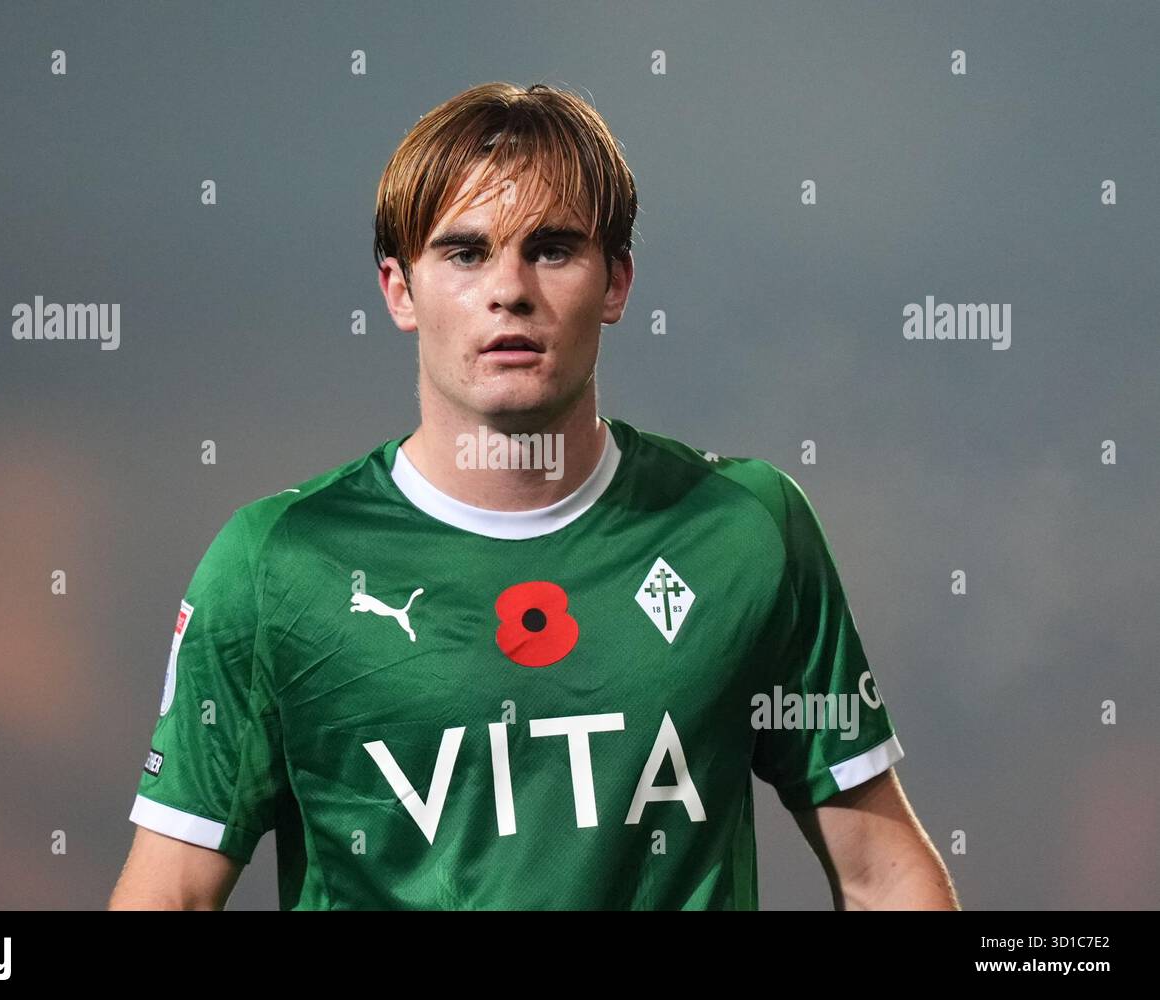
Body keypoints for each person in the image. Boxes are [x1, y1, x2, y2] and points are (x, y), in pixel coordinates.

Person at [109, 81, 959, 910]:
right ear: (399, 291)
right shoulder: (275, 565)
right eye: (465, 250)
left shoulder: (748, 528)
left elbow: (882, 877)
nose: (509, 288)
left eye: (552, 248)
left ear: (617, 283)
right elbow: (171, 893)